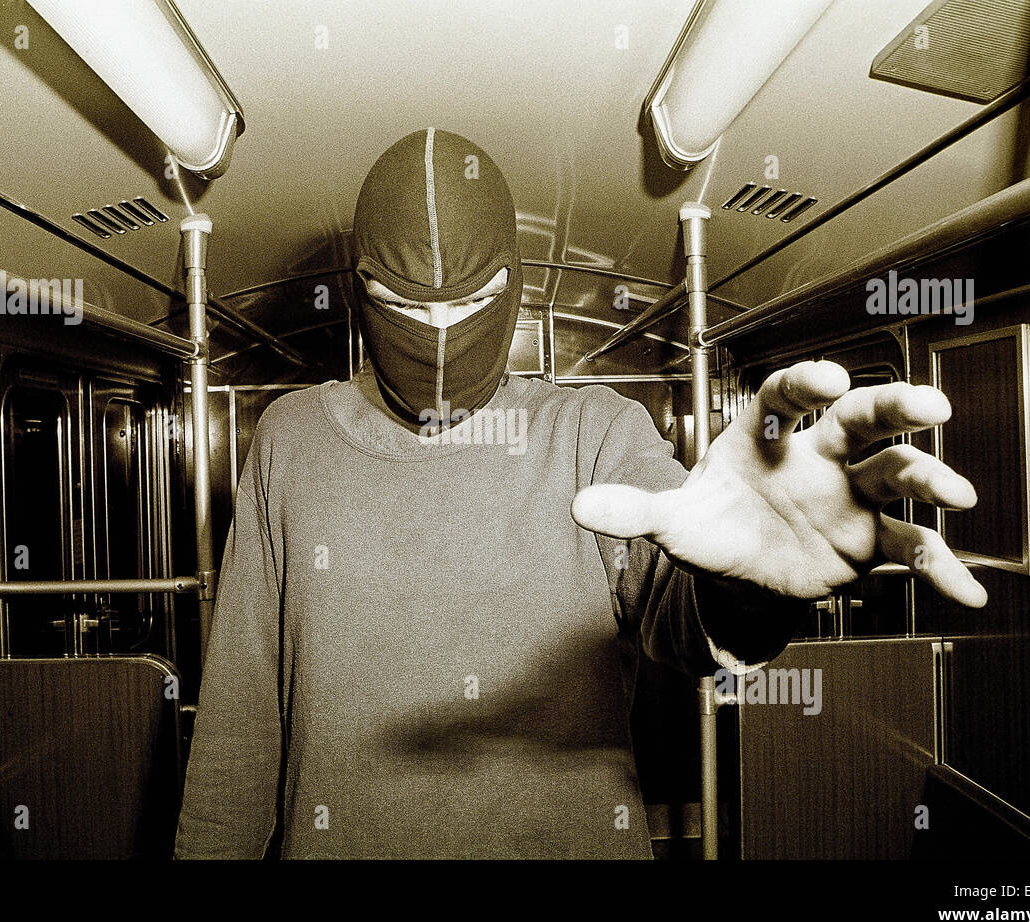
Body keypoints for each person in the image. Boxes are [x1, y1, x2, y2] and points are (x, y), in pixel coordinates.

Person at [174, 128, 985, 859]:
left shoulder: (594, 429)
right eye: (404, 303)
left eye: (471, 301)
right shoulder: (290, 439)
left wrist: (746, 589)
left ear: (515, 288)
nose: (441, 328)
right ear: (361, 294)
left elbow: (680, 615)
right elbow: (241, 723)